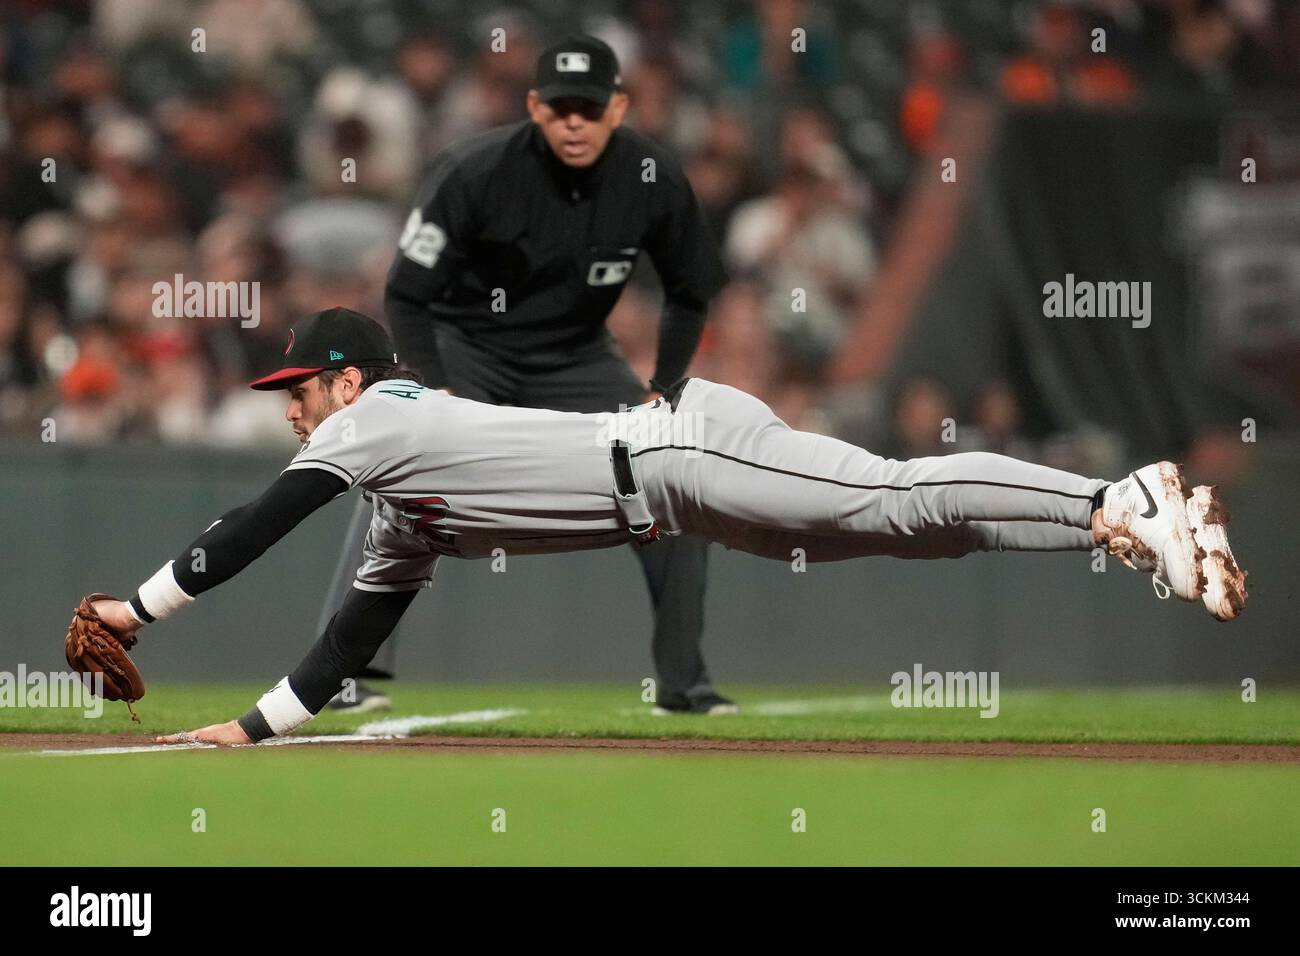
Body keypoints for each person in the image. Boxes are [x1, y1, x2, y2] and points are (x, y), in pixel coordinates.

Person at [72, 307, 1246, 745]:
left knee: (897, 493)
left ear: (341, 380)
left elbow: (260, 522)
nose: (287, 407)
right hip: (686, 487)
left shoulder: (376, 417)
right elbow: (344, 642)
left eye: (296, 388)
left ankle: (1111, 493)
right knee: (917, 527)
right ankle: (1117, 526)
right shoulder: (398, 505)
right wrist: (249, 729)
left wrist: (138, 606)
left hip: (680, 451)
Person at [319, 34, 733, 715]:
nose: (576, 121)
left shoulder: (650, 177)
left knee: (670, 474)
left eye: (590, 108)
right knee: (397, 478)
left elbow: (692, 290)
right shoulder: (476, 169)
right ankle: (340, 673)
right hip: (466, 345)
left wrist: (666, 382)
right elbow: (405, 293)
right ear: (535, 106)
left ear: (619, 108)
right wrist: (429, 382)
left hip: (575, 356)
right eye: (562, 106)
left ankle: (683, 686)